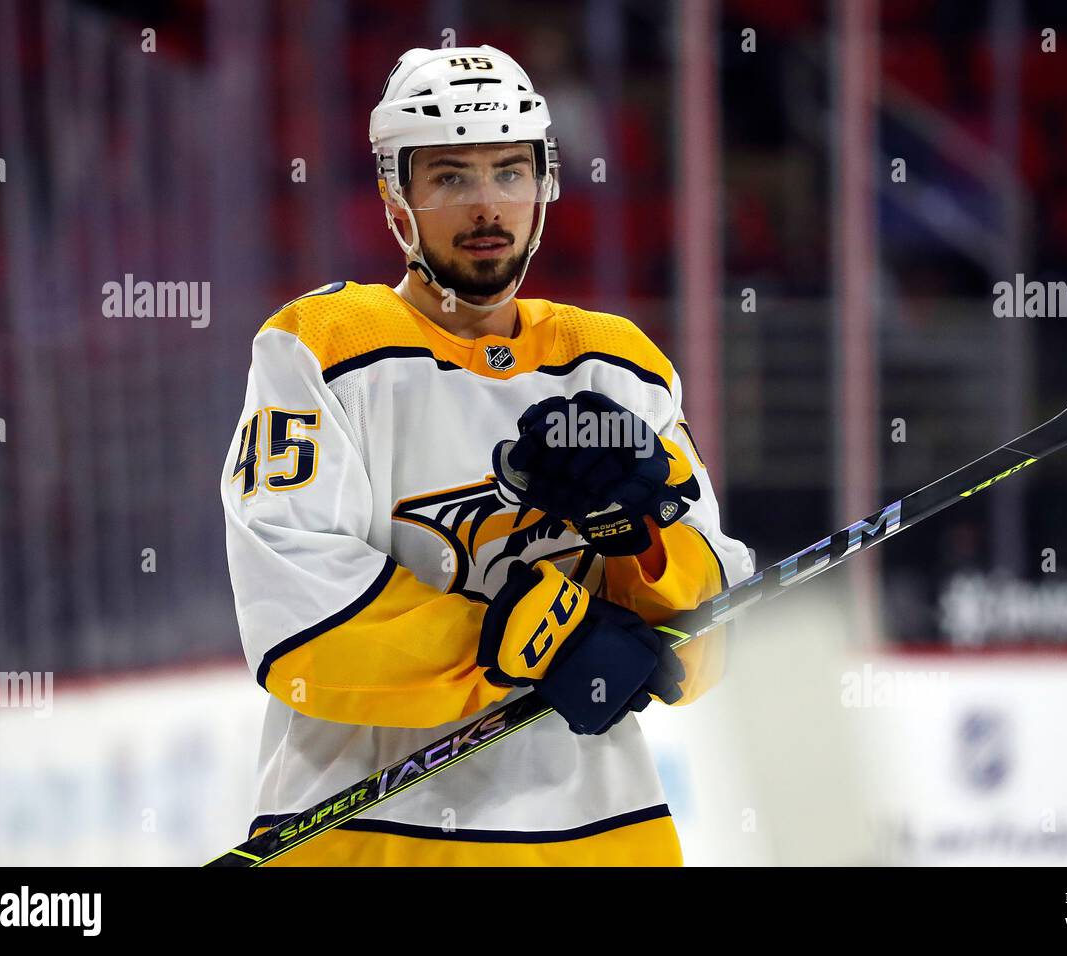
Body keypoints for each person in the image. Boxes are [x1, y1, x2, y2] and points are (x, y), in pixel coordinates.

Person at [220, 44, 751, 865]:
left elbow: (703, 646)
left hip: (595, 840)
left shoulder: (616, 364)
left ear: (546, 184)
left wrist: (637, 539)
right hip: (367, 840)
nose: (487, 206)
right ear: (397, 198)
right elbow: (295, 623)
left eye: (510, 171)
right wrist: (525, 639)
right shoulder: (323, 348)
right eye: (450, 177)